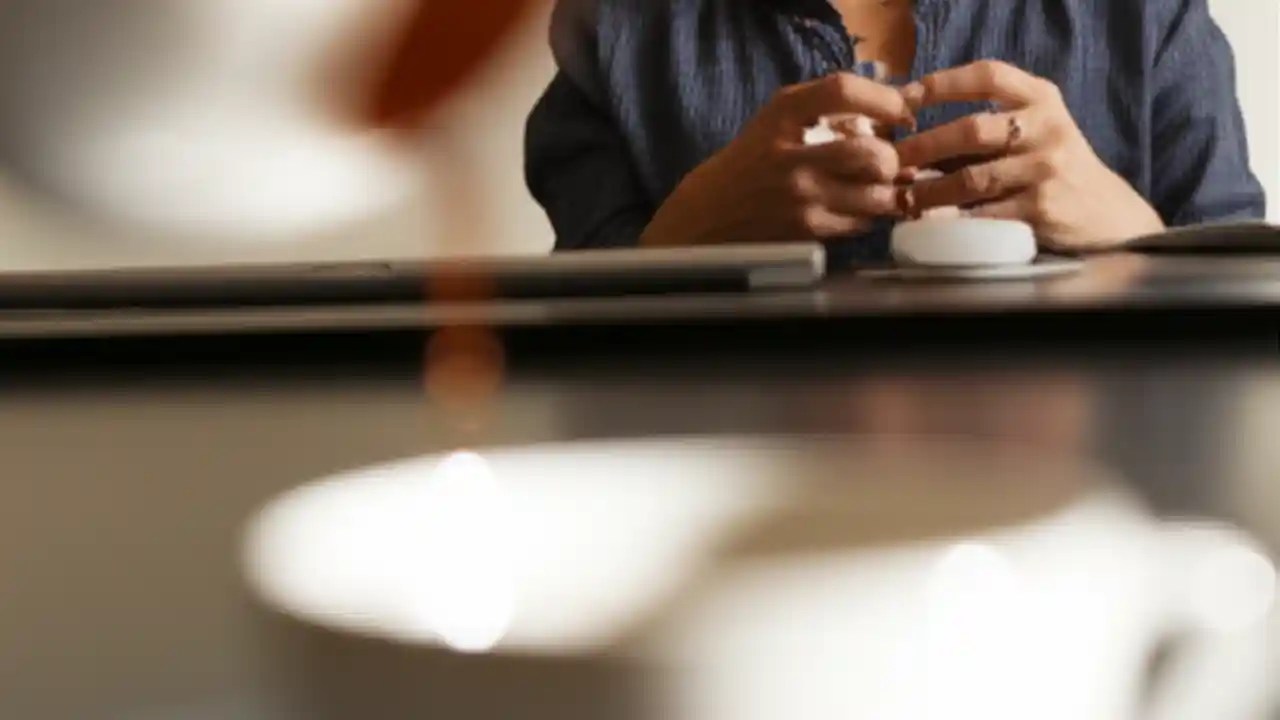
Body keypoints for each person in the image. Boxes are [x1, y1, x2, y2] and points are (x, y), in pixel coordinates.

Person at [524, 0, 1266, 262]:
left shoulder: (1145, 14)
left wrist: (1124, 229)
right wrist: (680, 238)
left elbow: (1250, 312)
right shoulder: (616, 26)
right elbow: (568, 346)